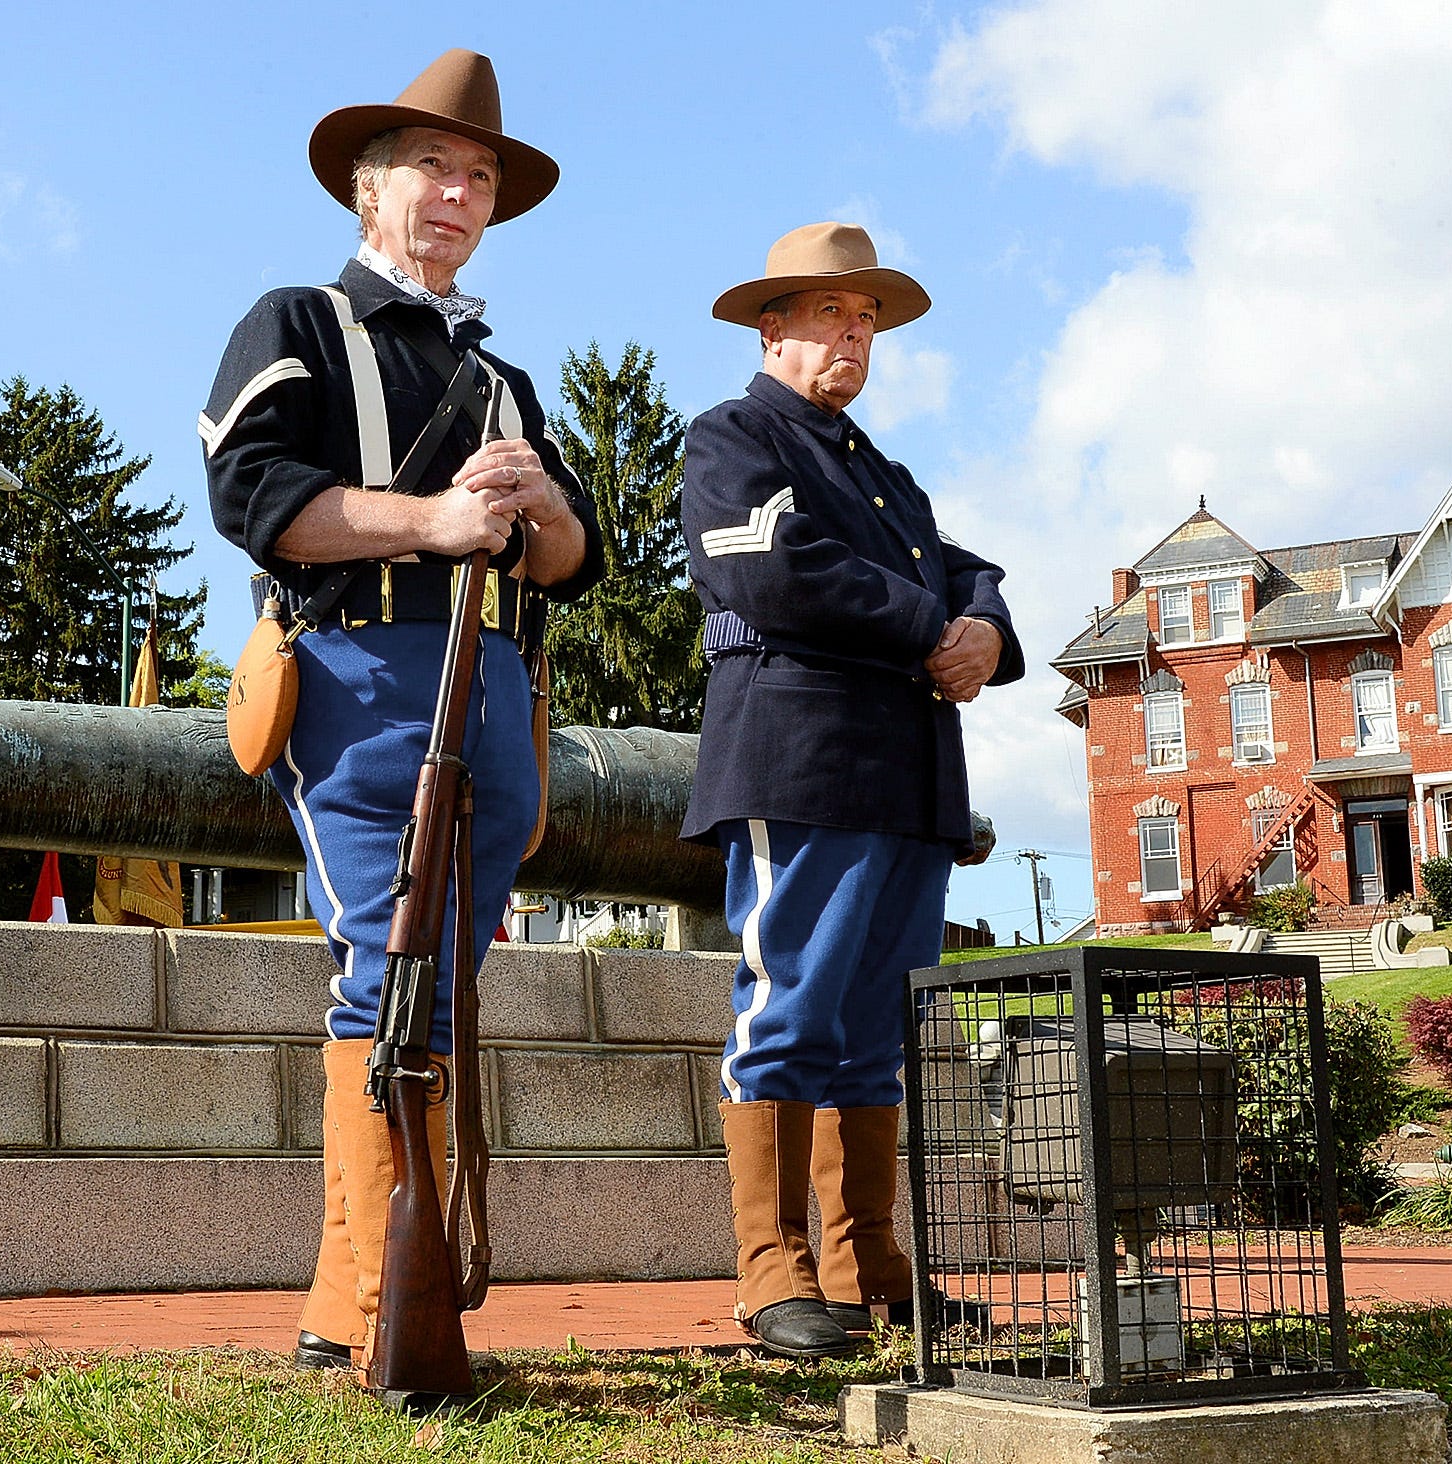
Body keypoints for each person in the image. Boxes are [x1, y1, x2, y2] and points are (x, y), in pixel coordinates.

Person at [200, 49, 602, 1374]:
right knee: (392, 969)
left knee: (439, 980)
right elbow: (254, 496)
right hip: (362, 680)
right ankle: (393, 1320)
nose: (459, 193)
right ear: (368, 189)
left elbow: (576, 562)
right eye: (433, 166)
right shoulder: (297, 322)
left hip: (496, 687)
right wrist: (434, 520)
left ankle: (342, 1311)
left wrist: (541, 511)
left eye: (479, 176)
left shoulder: (505, 382)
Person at [680, 222, 1023, 1359]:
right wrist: (936, 627)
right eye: (831, 312)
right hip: (803, 755)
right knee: (789, 1008)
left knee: (877, 1030)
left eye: (866, 319)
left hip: (910, 775)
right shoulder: (734, 437)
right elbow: (774, 567)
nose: (854, 335)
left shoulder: (883, 476)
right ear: (770, 329)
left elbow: (970, 570)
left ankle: (864, 1263)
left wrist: (985, 630)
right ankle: (772, 1269)